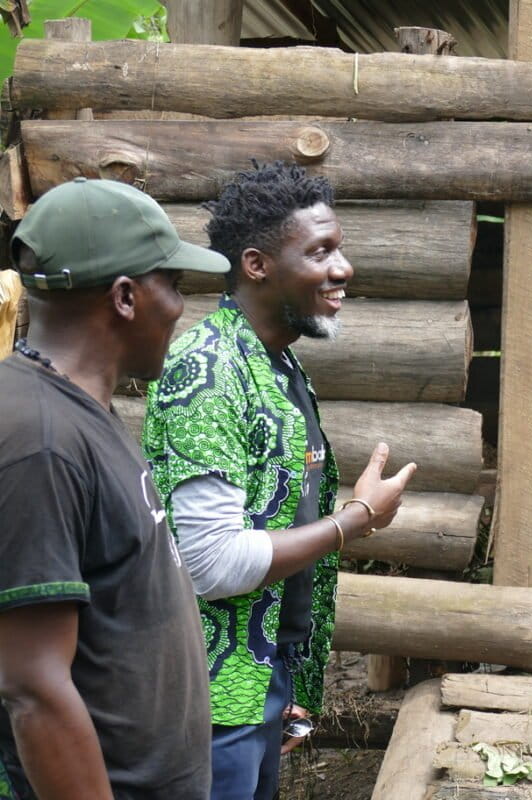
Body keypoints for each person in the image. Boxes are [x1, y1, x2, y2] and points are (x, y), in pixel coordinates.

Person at [142, 161, 416, 800]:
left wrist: (289, 682)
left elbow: (280, 524)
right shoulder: (205, 373)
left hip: (263, 682)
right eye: (320, 252)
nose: (342, 268)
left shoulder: (280, 364)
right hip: (210, 701)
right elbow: (212, 564)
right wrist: (355, 520)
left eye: (339, 248)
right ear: (258, 264)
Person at [0, 178, 231, 799]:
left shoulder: (82, 411)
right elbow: (32, 688)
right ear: (126, 297)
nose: (181, 308)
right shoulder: (37, 441)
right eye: (174, 285)